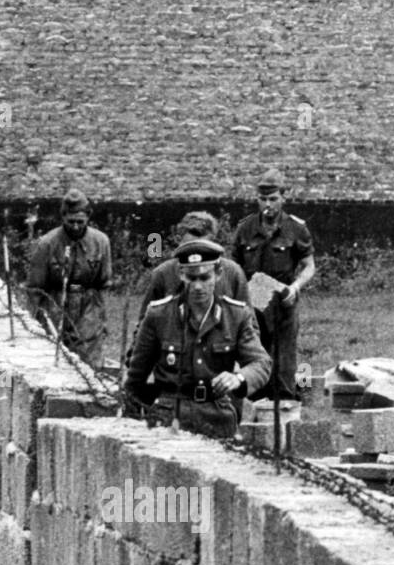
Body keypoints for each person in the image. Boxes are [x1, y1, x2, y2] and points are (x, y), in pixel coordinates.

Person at [126, 239, 270, 440]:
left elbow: (261, 364)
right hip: (169, 417)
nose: (198, 286)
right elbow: (135, 379)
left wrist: (237, 379)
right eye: (191, 278)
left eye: (204, 277)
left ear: (218, 274)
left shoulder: (236, 316)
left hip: (217, 416)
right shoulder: (159, 315)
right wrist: (133, 423)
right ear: (181, 274)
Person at [230, 167, 315, 404]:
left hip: (283, 301)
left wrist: (296, 287)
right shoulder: (245, 228)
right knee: (254, 351)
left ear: (283, 198)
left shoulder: (296, 228)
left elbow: (309, 266)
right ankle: (256, 404)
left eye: (273, 198)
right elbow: (233, 267)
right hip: (252, 302)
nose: (268, 204)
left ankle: (285, 403)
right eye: (263, 199)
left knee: (284, 355)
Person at [26, 189, 112, 368]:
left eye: (80, 222)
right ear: (63, 216)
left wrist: (100, 317)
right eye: (71, 221)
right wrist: (33, 323)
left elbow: (104, 282)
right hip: (55, 305)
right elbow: (35, 288)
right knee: (54, 357)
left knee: (88, 361)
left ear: (88, 217)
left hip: (88, 307)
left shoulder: (101, 242)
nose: (75, 227)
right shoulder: (47, 244)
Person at [137, 211, 249, 321]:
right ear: (178, 240)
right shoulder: (163, 273)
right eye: (189, 247)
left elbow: (248, 322)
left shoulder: (233, 273)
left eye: (203, 248)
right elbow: (145, 322)